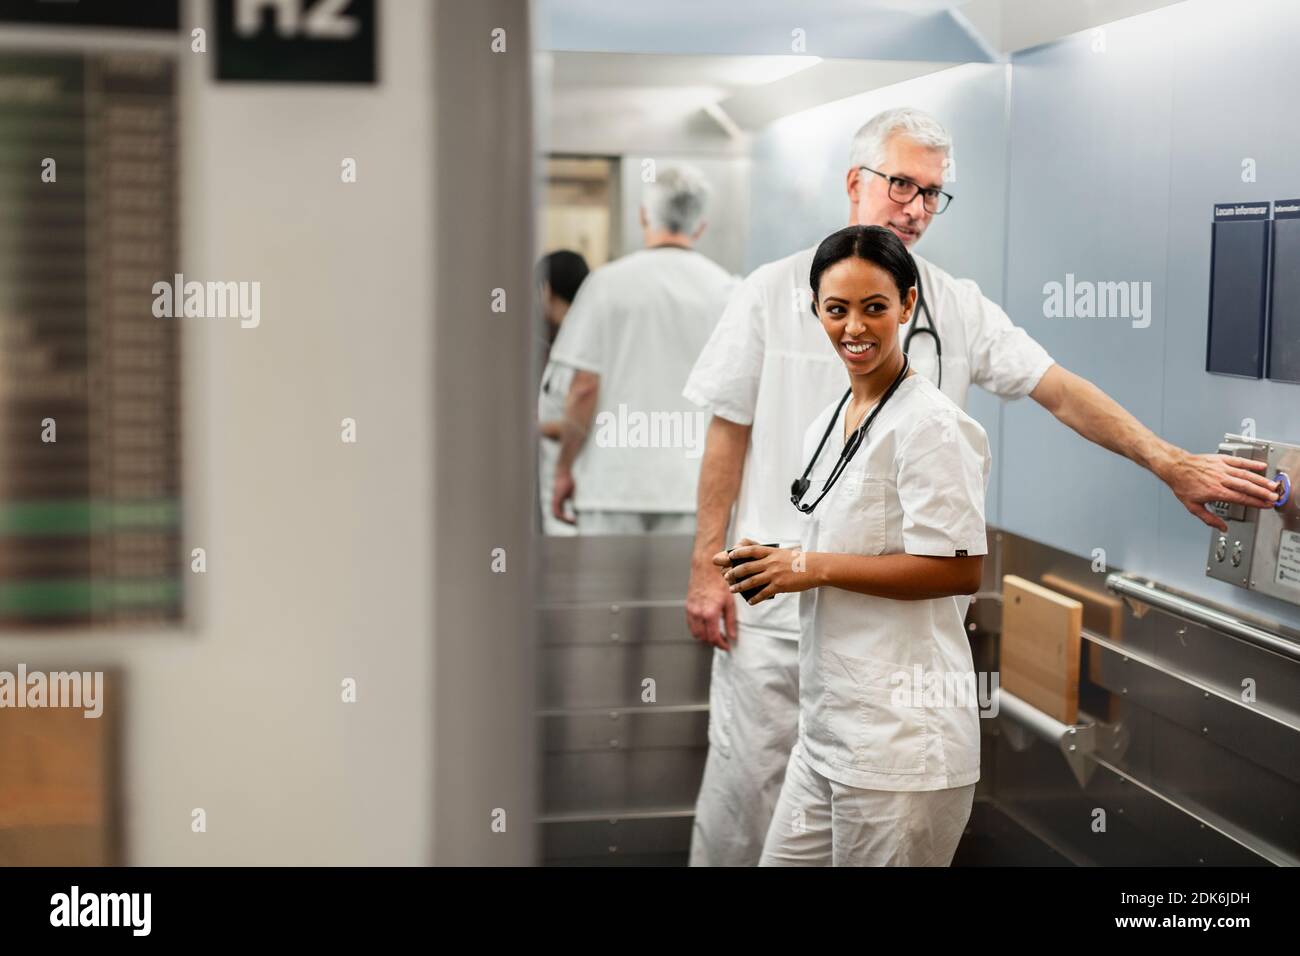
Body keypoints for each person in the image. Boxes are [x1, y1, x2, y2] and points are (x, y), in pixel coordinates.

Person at [682, 106, 1281, 866]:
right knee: (745, 803)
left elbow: (1057, 388)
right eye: (902, 184)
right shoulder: (774, 292)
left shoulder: (954, 305)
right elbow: (727, 426)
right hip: (769, 616)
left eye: (933, 194)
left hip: (888, 641)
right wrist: (707, 564)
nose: (917, 208)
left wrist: (1166, 459)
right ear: (855, 183)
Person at [720, 224, 986, 865]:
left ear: (908, 305)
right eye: (837, 309)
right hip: (827, 733)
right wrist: (775, 559)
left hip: (900, 746)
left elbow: (958, 570)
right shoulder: (832, 418)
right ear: (816, 310)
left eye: (875, 307)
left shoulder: (932, 425)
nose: (855, 327)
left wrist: (807, 566)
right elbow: (852, 536)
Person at [550, 164, 738, 534]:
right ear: (701, 225)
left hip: (612, 485)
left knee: (607, 595)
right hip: (693, 489)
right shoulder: (728, 290)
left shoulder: (606, 284)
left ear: (643, 215)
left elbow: (584, 387)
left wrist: (563, 468)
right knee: (684, 594)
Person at [535, 250, 590, 535]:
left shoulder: (577, 342)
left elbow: (586, 417)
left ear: (546, 290)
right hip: (561, 494)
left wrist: (532, 427)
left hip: (569, 495)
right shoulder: (567, 338)